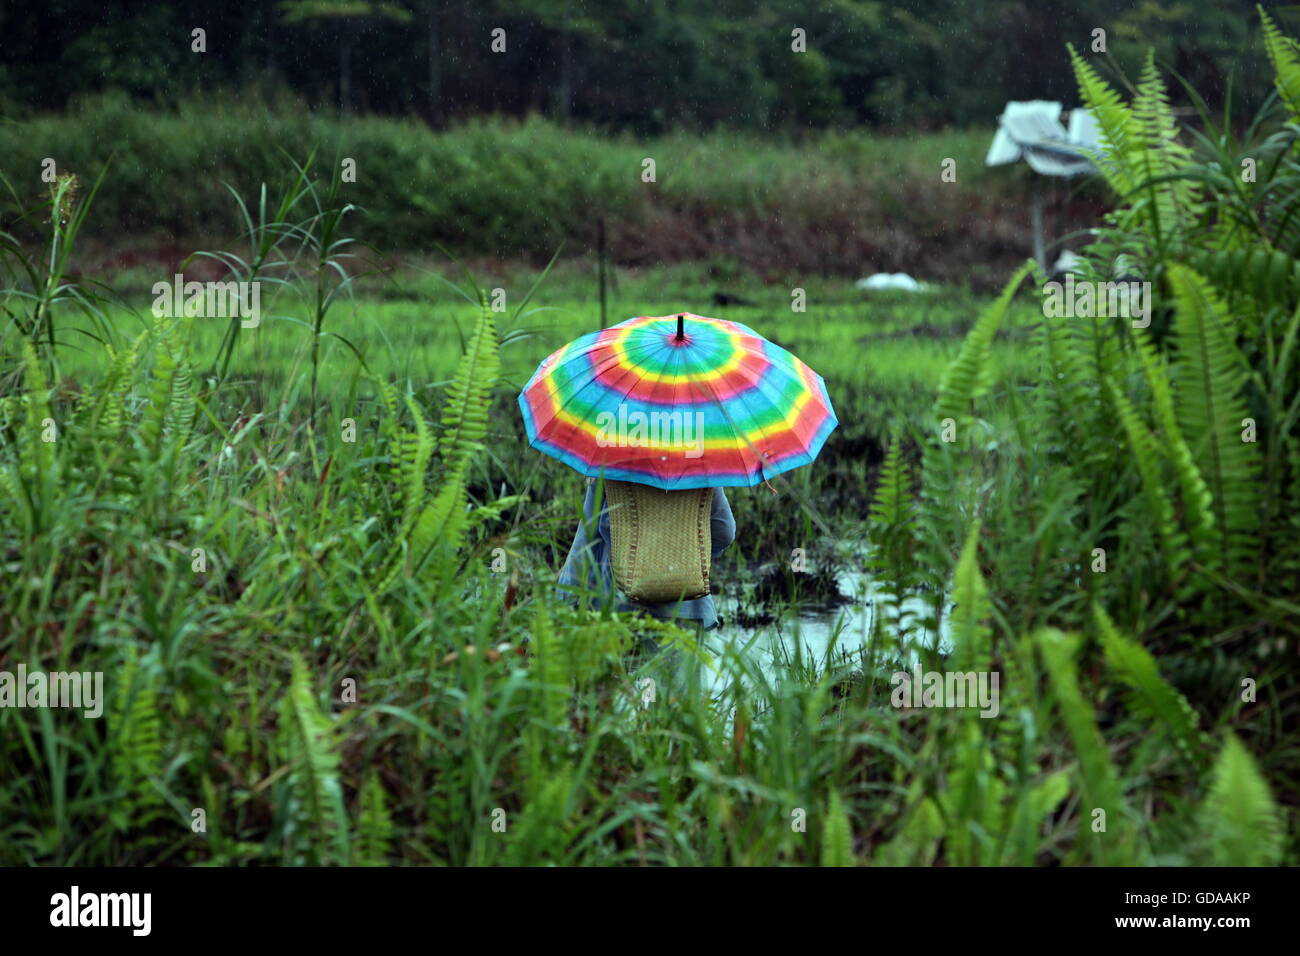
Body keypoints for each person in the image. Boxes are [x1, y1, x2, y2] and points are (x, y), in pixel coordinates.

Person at [557, 477, 735, 630]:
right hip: (687, 608)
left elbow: (585, 543)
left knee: (627, 669)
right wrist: (685, 559)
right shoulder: (700, 468)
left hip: (619, 608)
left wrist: (562, 605)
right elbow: (725, 532)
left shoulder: (612, 464)